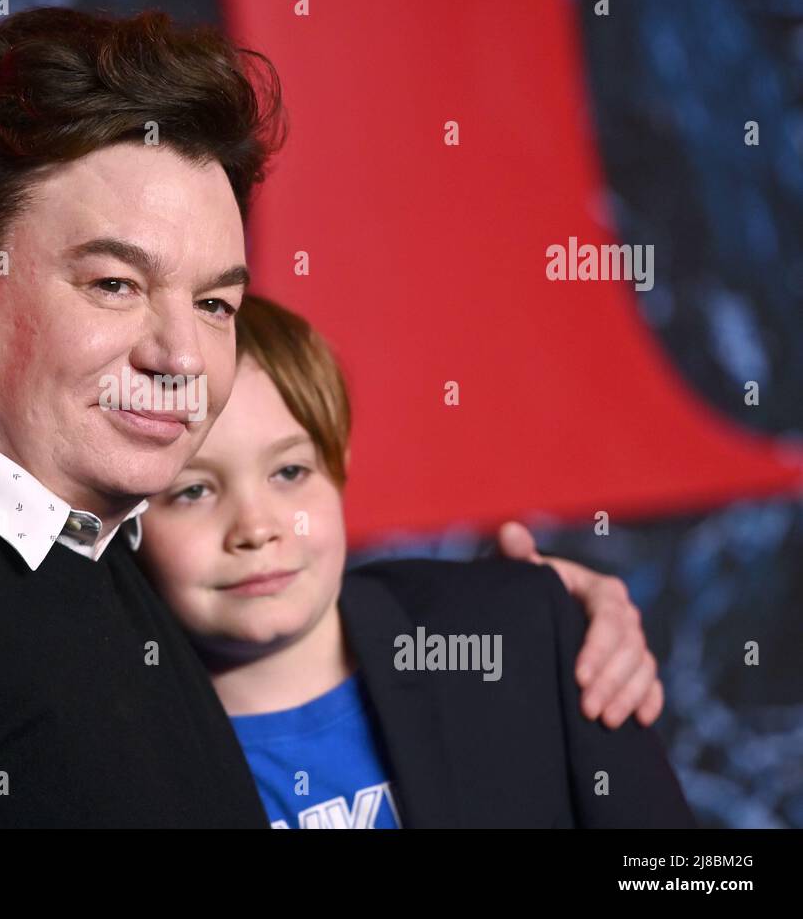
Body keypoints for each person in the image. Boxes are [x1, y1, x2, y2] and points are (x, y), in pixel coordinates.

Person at [0, 7, 662, 828]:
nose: (178, 355)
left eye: (213, 302)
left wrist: (530, 619)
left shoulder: (76, 545)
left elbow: (255, 600)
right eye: (114, 284)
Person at [134, 295, 696, 828]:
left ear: (339, 468)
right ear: (125, 519)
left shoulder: (519, 636)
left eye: (290, 473)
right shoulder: (111, 754)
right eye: (193, 492)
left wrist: (545, 610)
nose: (256, 529)